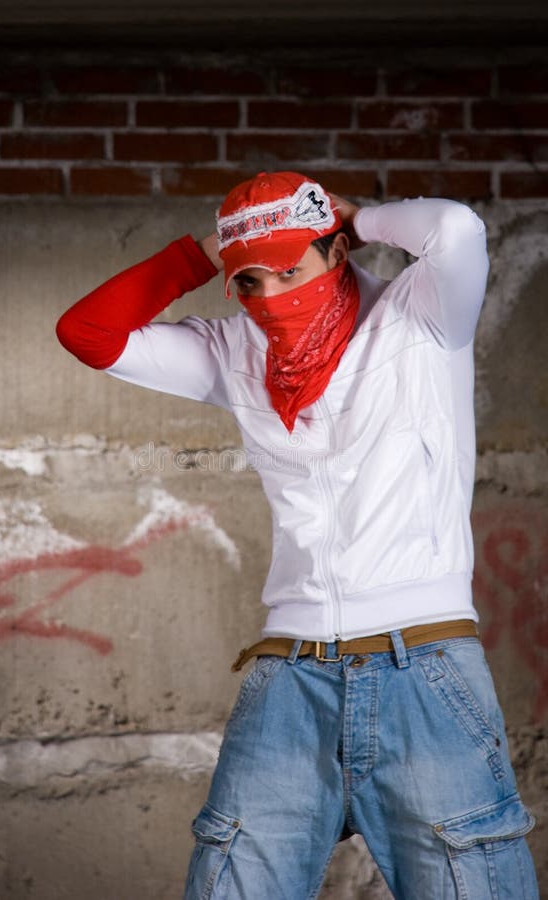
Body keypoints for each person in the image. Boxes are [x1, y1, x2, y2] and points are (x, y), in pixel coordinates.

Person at [56, 171, 538, 899]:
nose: (273, 296)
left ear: (334, 250)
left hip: (425, 668)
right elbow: (87, 333)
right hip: (290, 674)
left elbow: (458, 231)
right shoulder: (233, 350)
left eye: (290, 268)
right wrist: (211, 249)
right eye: (249, 280)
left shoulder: (422, 315)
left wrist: (362, 215)